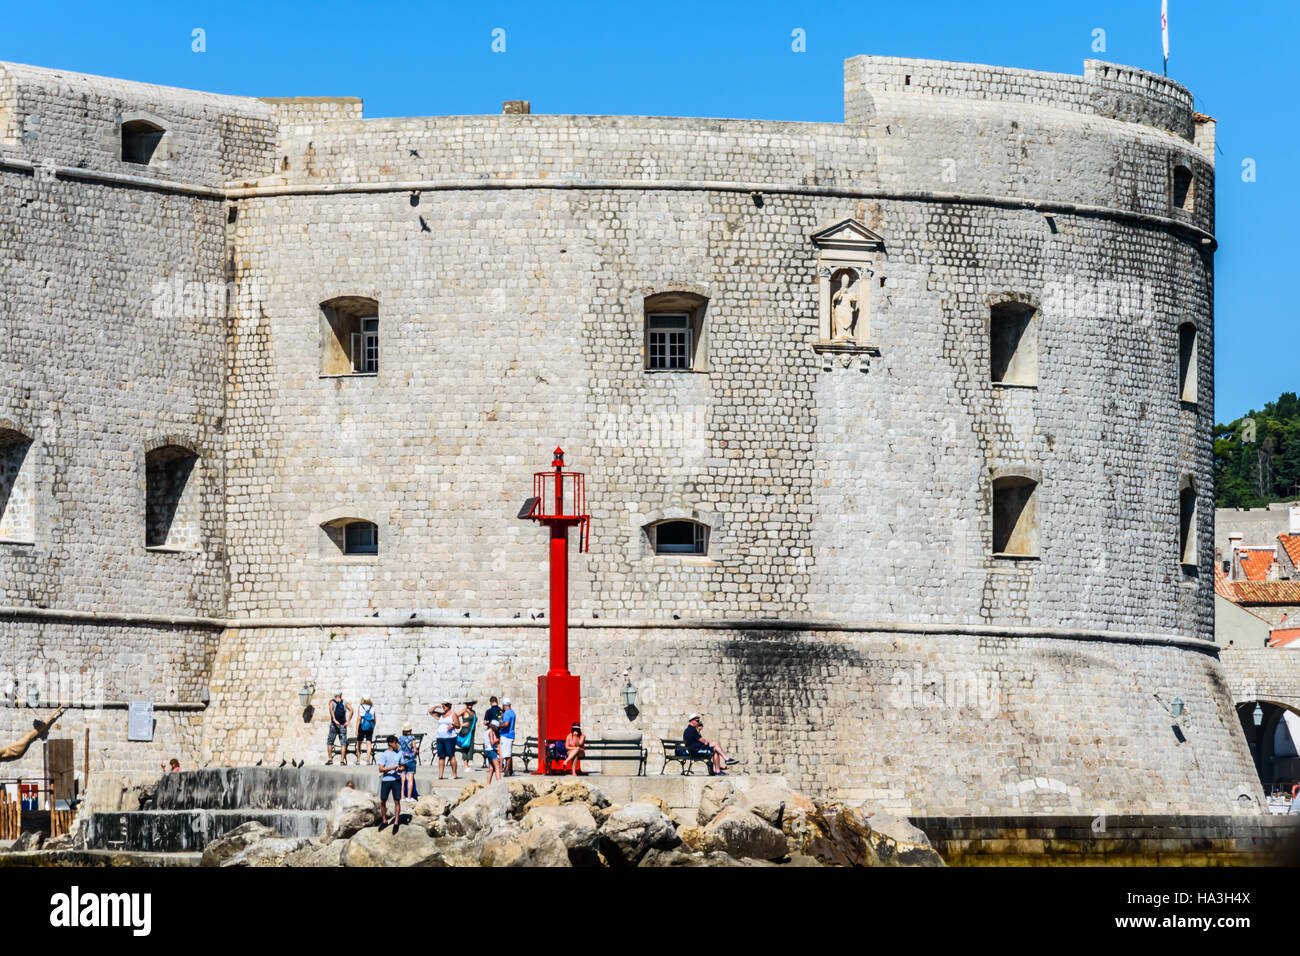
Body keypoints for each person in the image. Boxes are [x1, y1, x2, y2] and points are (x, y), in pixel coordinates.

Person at [375, 735, 403, 829]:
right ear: (390, 743)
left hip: (396, 779)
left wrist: (399, 769)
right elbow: (380, 769)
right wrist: (392, 768)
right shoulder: (384, 754)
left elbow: (403, 766)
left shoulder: (399, 753)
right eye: (395, 742)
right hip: (386, 779)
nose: (397, 744)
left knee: (396, 801)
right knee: (383, 800)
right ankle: (384, 820)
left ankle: (396, 822)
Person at [429, 701, 460, 780]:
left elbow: (458, 725)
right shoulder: (441, 715)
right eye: (443, 705)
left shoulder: (453, 714)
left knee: (451, 756)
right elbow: (430, 711)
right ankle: (440, 775)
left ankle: (454, 774)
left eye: (446, 705)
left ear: (449, 705)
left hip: (450, 738)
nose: (444, 706)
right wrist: (437, 706)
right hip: (440, 737)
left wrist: (452, 724)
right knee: (441, 757)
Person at [326, 691, 353, 765]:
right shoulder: (344, 702)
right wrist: (348, 721)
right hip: (343, 724)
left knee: (329, 742)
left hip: (334, 725)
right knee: (343, 743)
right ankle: (342, 761)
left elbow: (331, 710)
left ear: (334, 695)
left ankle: (330, 759)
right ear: (340, 695)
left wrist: (334, 719)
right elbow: (351, 710)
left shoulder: (331, 702)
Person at [397, 723, 419, 798]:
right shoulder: (412, 738)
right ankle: (409, 797)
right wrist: (414, 755)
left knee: (402, 779)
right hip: (410, 760)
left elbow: (398, 749)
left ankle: (402, 796)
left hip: (402, 760)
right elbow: (415, 750)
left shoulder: (400, 739)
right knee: (410, 778)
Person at [456, 701, 477, 769]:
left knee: (470, 747)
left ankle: (467, 765)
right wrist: (461, 724)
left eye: (471, 703)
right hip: (465, 731)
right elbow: (455, 716)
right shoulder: (464, 710)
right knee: (465, 746)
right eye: (468, 703)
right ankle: (465, 766)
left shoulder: (473, 712)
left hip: (471, 732)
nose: (470, 705)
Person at [355, 697, 377, 765]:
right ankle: (367, 760)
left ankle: (358, 759)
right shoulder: (372, 707)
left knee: (359, 742)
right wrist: (373, 727)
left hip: (362, 726)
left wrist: (356, 729)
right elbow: (374, 719)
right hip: (370, 727)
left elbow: (359, 718)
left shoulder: (361, 707)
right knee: (369, 743)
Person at [499, 698, 517, 776]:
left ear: (504, 705)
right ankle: (511, 771)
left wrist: (499, 726)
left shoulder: (507, 713)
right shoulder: (512, 712)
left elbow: (506, 724)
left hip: (506, 735)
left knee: (507, 755)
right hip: (510, 735)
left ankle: (506, 771)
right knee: (508, 753)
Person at [484, 719, 503, 784]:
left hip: (487, 750)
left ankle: (488, 784)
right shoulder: (491, 732)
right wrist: (498, 739)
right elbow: (492, 742)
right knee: (497, 767)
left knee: (491, 769)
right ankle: (499, 783)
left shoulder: (486, 731)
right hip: (491, 751)